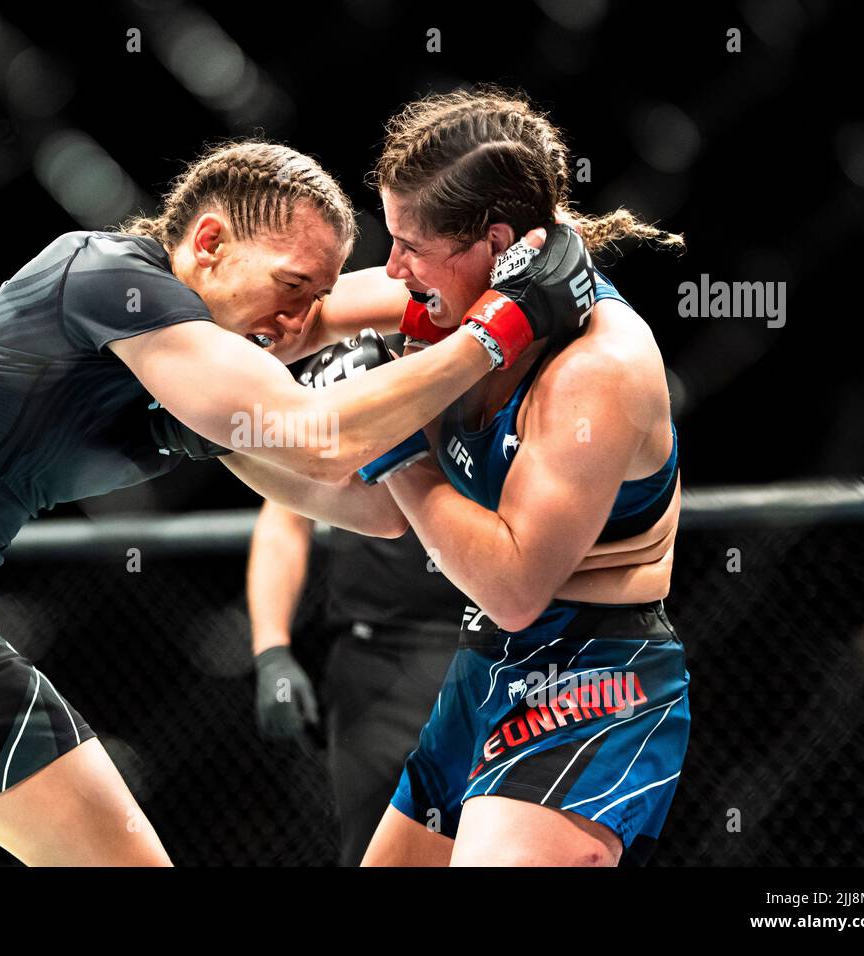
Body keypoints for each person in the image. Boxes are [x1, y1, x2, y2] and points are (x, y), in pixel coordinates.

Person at [0, 138, 567, 866]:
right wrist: (504, 321)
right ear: (206, 245)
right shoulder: (103, 278)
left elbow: (361, 502)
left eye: (317, 298)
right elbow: (319, 435)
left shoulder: (192, 390)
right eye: (292, 287)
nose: (299, 324)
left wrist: (463, 293)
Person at [226, 87, 691, 867]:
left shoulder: (595, 369)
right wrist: (192, 344)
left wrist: (394, 444)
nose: (395, 266)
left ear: (497, 243)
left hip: (594, 681)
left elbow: (513, 590)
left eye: (411, 242)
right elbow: (302, 315)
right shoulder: (443, 306)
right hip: (487, 672)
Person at [248, 496, 462, 867]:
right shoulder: (334, 437)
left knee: (513, 838)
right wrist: (272, 653)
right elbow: (284, 519)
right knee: (380, 847)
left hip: (507, 648)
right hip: (376, 662)